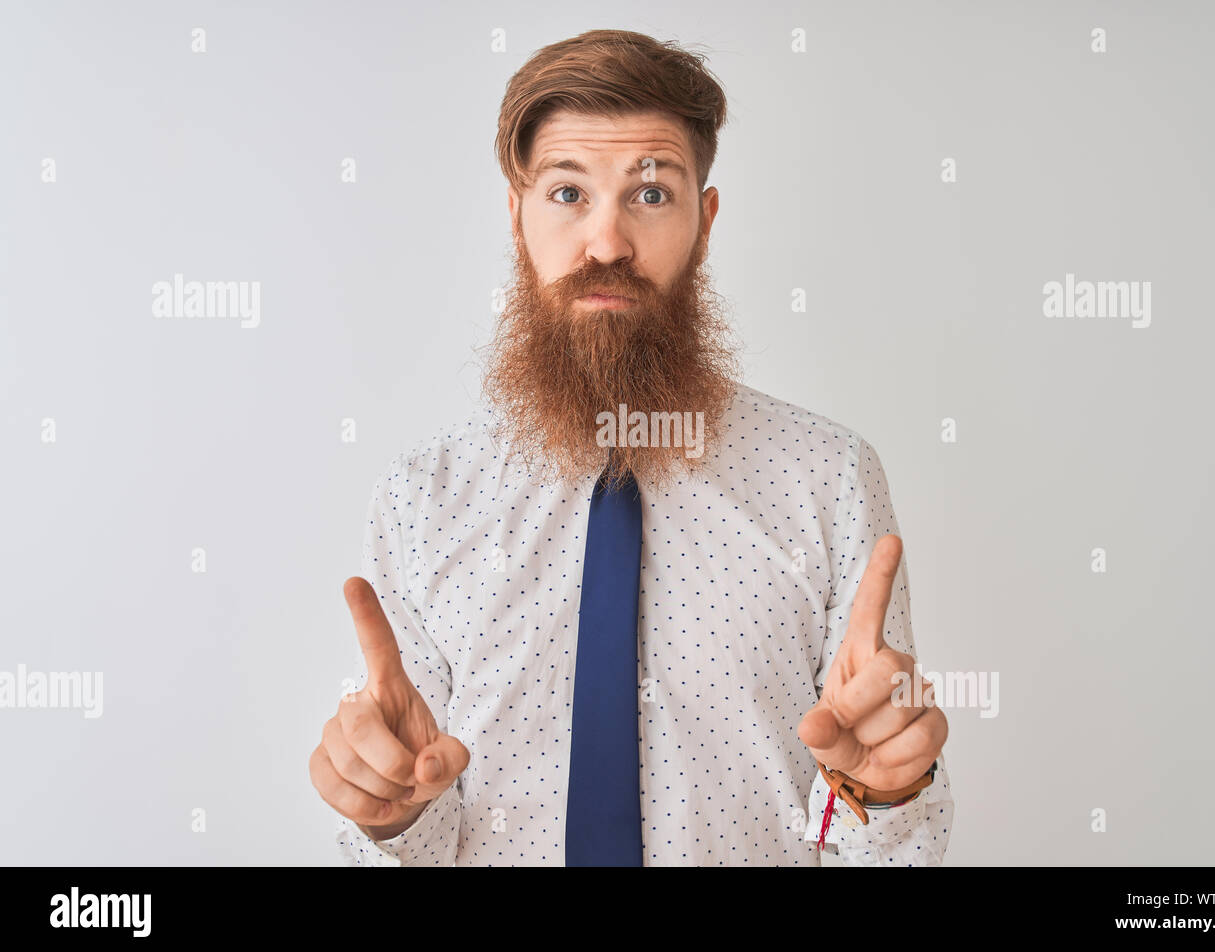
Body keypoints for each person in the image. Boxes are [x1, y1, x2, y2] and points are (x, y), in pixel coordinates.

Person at [308, 28, 954, 866]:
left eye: (651, 195)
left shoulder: (826, 479)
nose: (606, 243)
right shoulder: (422, 497)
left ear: (705, 220)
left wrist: (881, 793)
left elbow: (871, 844)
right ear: (517, 218)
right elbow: (418, 833)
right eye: (567, 193)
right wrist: (390, 815)